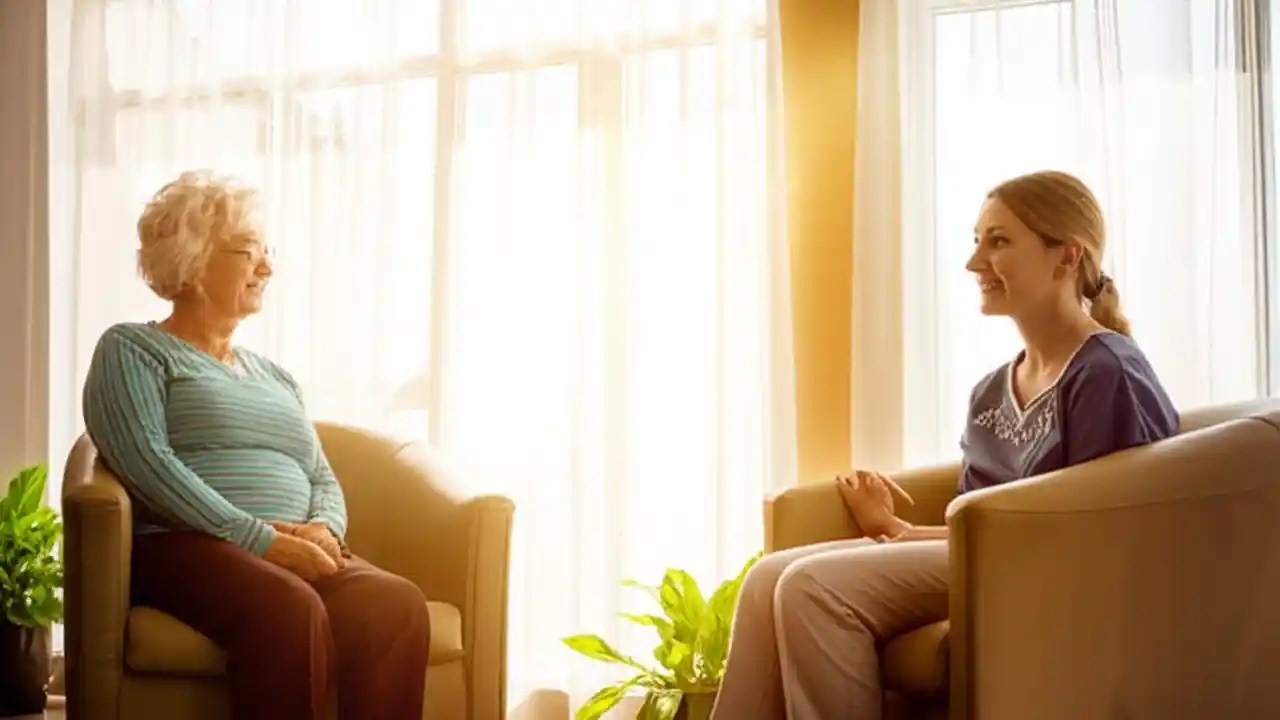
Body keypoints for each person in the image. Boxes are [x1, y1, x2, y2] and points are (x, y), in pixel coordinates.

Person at [710, 170, 1179, 719]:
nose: (975, 261)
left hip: (1051, 573)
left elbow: (1112, 531)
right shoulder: (991, 391)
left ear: (1067, 257)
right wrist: (897, 530)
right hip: (992, 560)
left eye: (998, 241)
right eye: (977, 240)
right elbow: (974, 524)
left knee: (812, 588)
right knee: (768, 577)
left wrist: (907, 535)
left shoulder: (1107, 373)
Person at [82, 170, 431, 720]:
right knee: (286, 609)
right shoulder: (133, 348)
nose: (267, 267)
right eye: (249, 252)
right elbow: (147, 461)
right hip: (184, 543)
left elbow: (319, 471)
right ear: (193, 262)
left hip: (292, 545)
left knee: (395, 604)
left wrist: (325, 530)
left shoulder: (276, 377)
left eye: (268, 252)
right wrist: (258, 537)